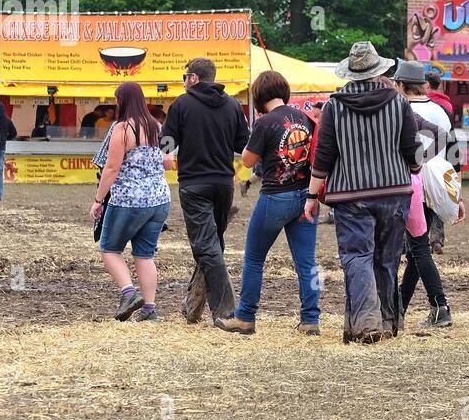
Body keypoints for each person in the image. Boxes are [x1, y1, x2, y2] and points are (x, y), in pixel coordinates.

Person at [304, 42, 421, 344]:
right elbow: (412, 150)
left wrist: (312, 196)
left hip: (350, 196)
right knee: (387, 258)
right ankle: (388, 321)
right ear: (378, 70)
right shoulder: (399, 104)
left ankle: (365, 323)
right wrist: (415, 169)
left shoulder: (334, 107)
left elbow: (324, 157)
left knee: (357, 256)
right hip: (395, 192)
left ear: (352, 73)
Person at [217, 71, 319, 336]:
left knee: (254, 258)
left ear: (259, 96)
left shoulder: (265, 123)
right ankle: (310, 320)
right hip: (306, 196)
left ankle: (245, 316)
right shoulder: (306, 119)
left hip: (276, 196)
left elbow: (249, 161)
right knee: (307, 263)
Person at [161, 57, 251, 324]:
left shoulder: (181, 104)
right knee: (213, 244)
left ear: (194, 78)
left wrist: (168, 144)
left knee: (205, 246)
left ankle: (225, 309)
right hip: (224, 183)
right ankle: (194, 302)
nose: (184, 81)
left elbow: (167, 145)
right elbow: (243, 144)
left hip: (193, 182)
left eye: (185, 76)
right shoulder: (233, 104)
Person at [92, 82, 172, 322]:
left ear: (123, 101)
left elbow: (112, 167)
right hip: (159, 199)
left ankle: (128, 293)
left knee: (109, 249)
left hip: (129, 199)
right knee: (145, 255)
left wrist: (98, 199)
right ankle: (149, 309)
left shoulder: (122, 129)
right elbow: (169, 163)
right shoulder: (160, 127)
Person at [393, 61, 463, 331]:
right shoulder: (442, 109)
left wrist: (418, 162)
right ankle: (401, 305)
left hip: (409, 183)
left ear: (400, 85)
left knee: (418, 249)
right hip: (436, 186)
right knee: (417, 250)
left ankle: (439, 306)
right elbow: (453, 150)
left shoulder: (400, 109)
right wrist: (456, 190)